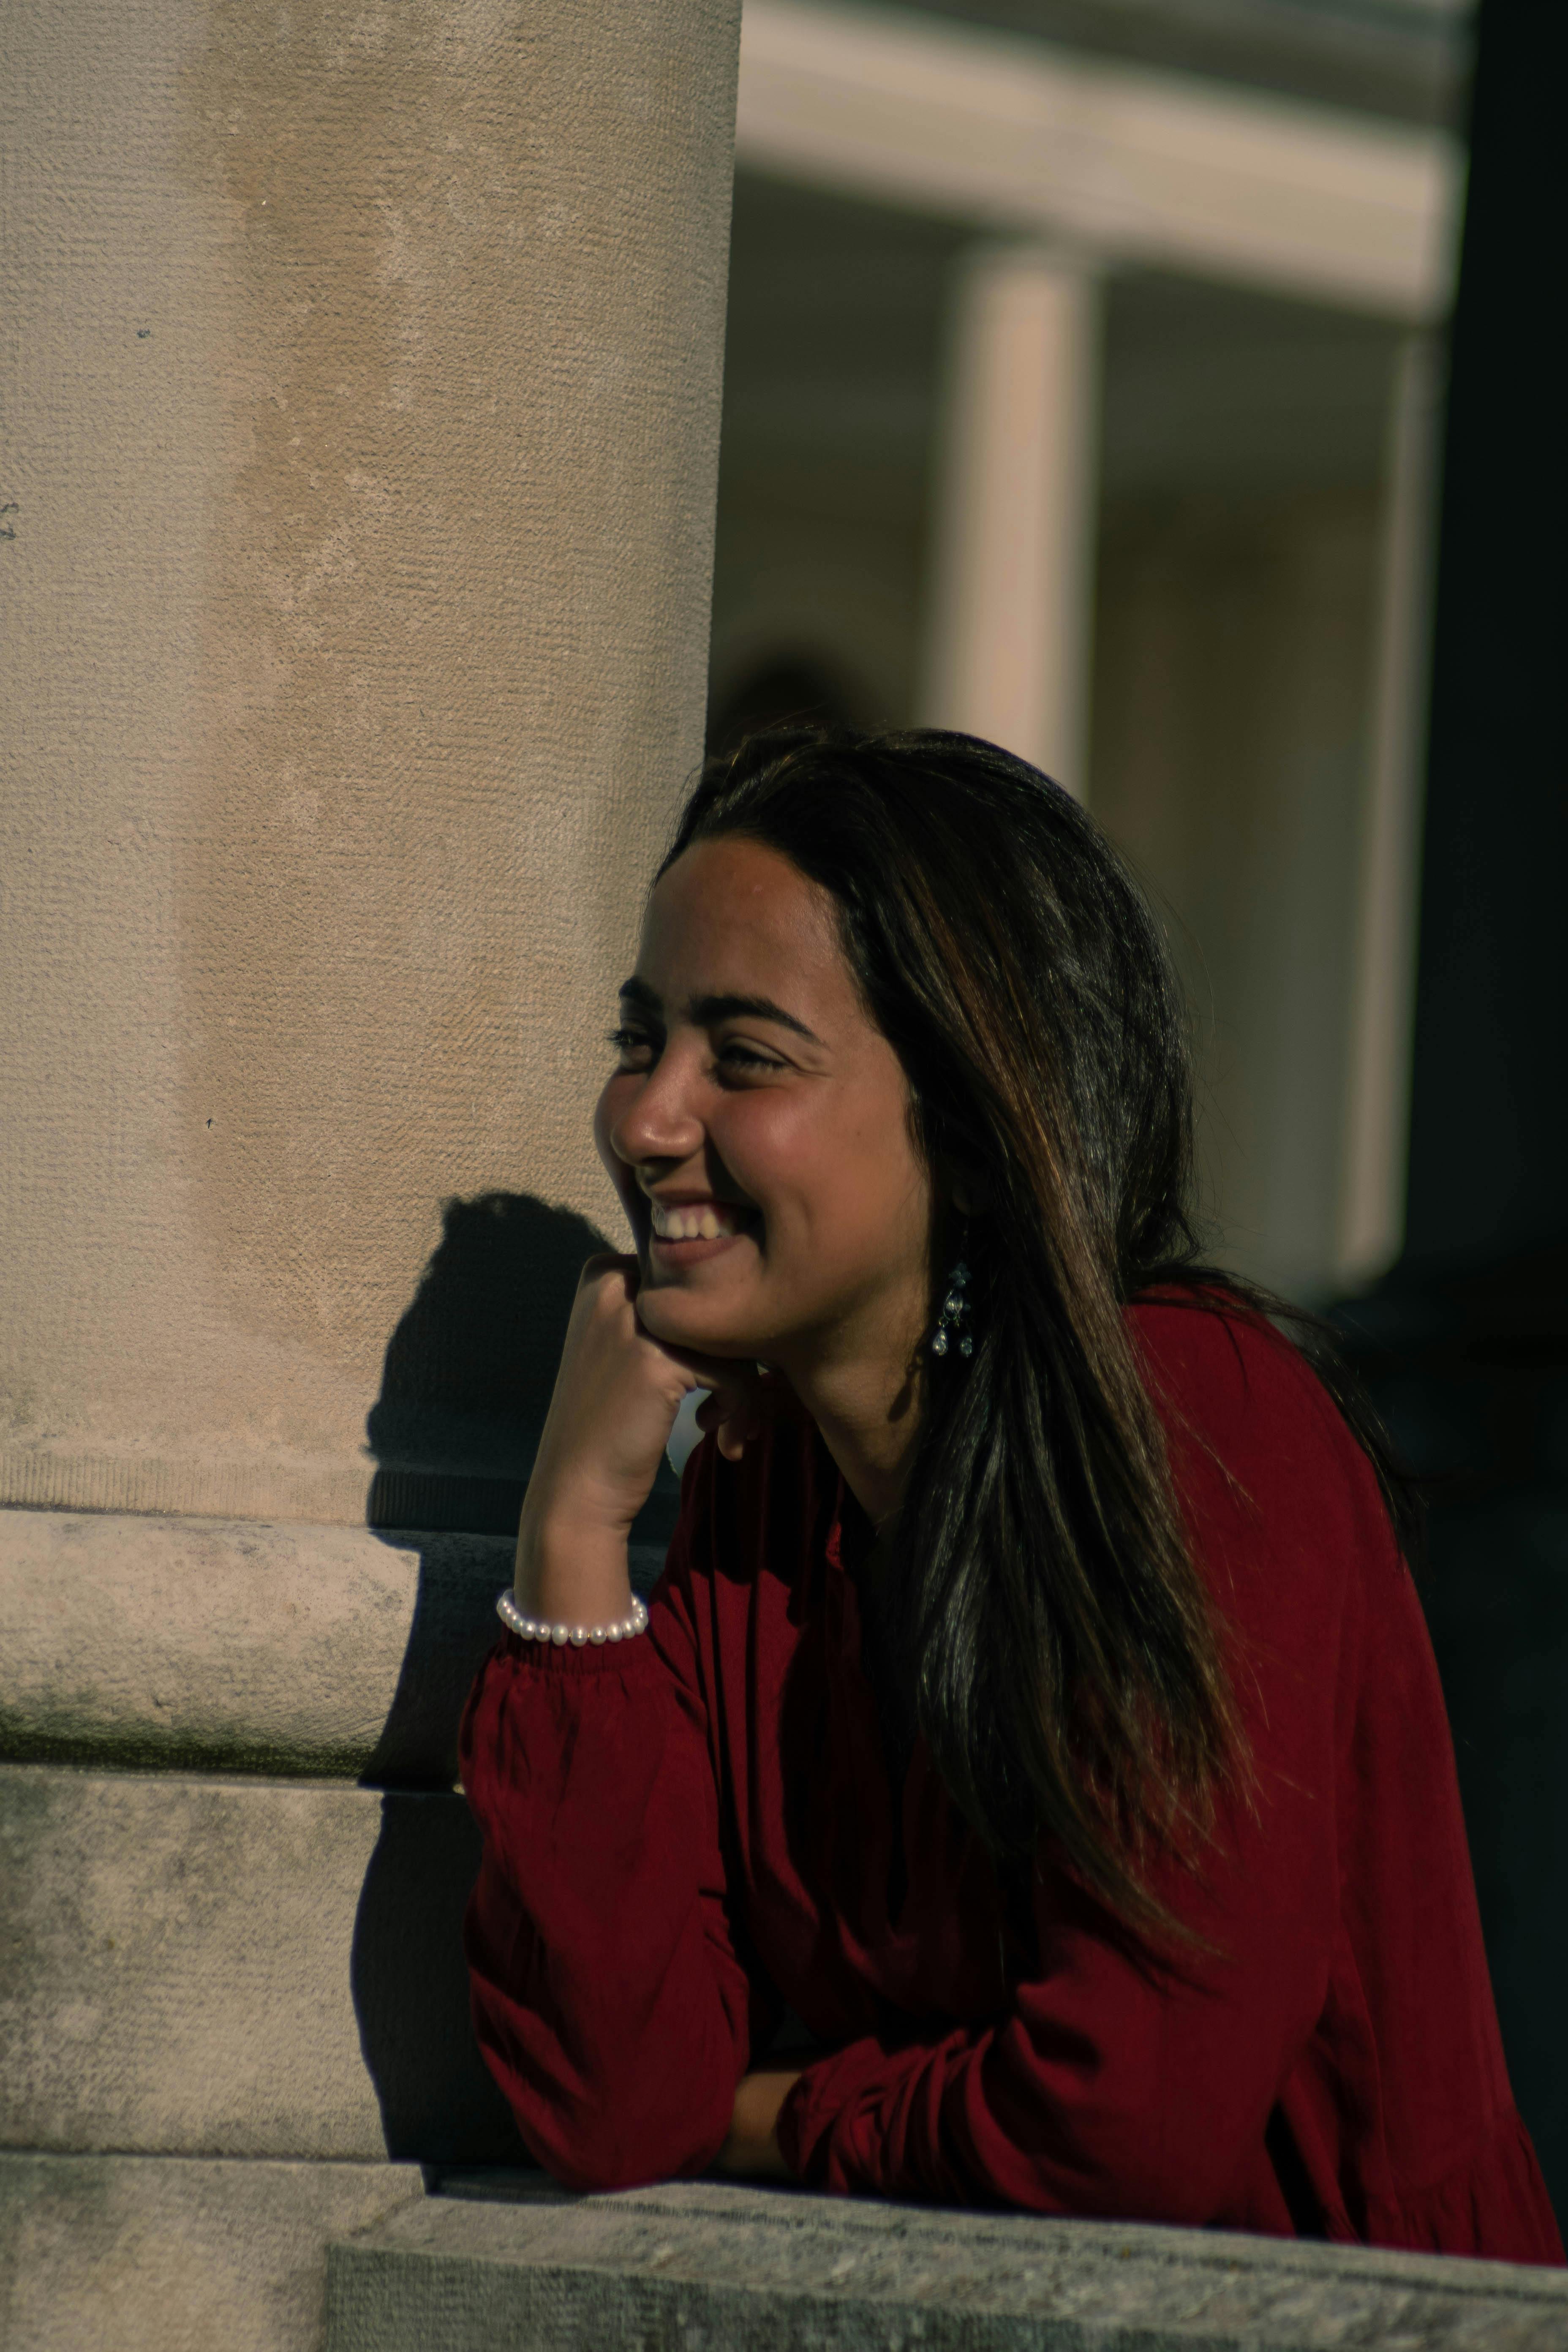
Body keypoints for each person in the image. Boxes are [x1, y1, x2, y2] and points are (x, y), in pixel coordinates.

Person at [459, 728, 1563, 2259]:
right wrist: (573, 1530)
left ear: (974, 1126)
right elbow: (614, 2109)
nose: (645, 1119)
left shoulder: (1192, 1421)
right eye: (642, 1039)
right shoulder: (762, 1492)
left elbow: (1124, 2129)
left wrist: (781, 2113)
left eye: (747, 1057)